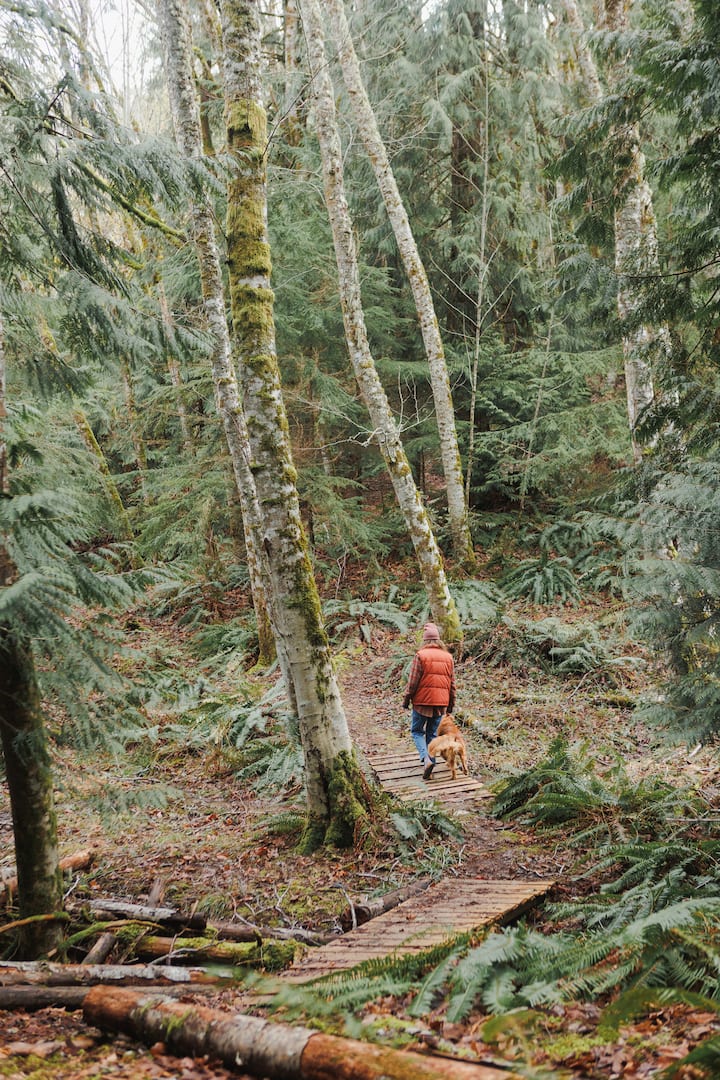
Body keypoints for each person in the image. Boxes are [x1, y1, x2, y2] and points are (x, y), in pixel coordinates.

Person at [403, 622, 456, 780]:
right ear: (438, 640)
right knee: (432, 734)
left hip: (422, 702)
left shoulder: (420, 655)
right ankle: (430, 765)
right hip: (441, 703)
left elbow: (412, 683)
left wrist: (406, 699)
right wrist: (450, 705)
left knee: (417, 731)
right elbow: (452, 684)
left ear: (425, 641)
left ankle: (426, 760)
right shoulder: (448, 657)